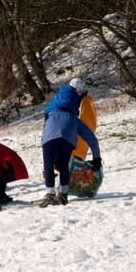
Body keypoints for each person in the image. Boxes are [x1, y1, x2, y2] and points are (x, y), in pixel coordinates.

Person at [39, 77, 102, 207]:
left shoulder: (53, 108)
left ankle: (50, 195)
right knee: (64, 166)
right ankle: (63, 194)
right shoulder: (74, 118)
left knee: (48, 164)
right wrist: (97, 157)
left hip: (49, 135)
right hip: (67, 136)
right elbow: (91, 139)